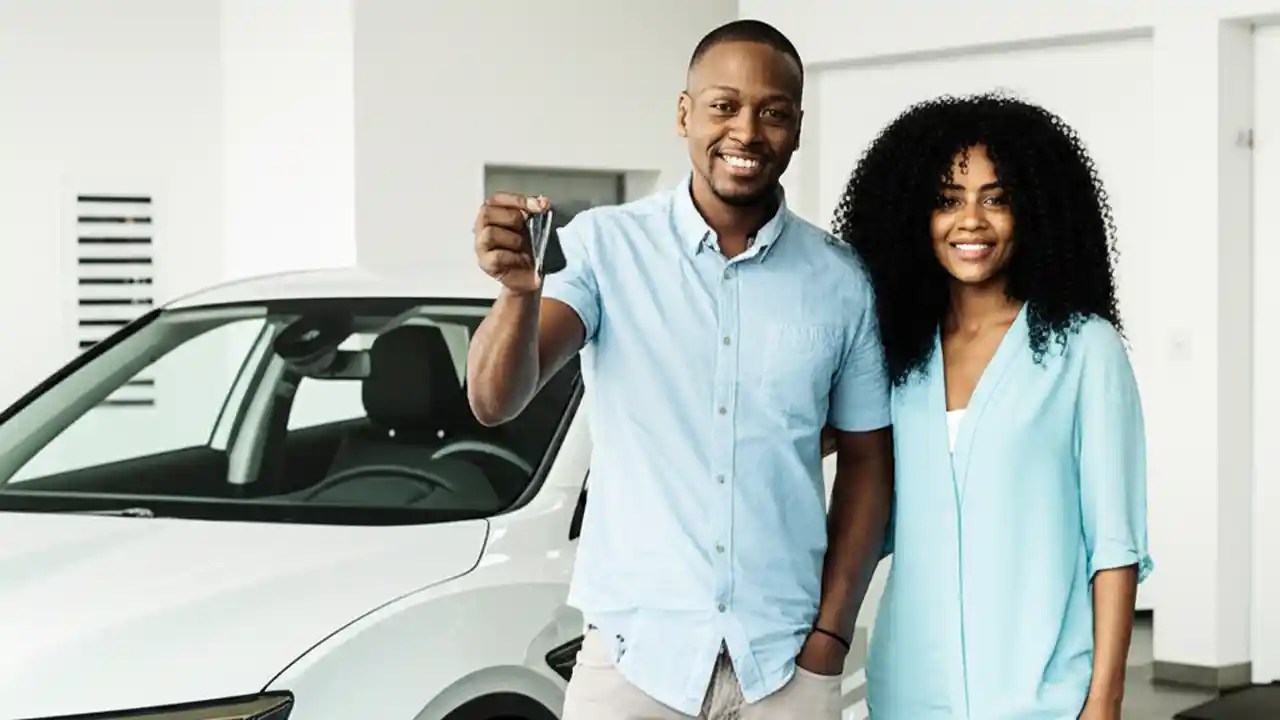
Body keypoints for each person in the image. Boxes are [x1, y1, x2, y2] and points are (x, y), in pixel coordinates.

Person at [466, 18, 894, 720]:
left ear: (797, 126)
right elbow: (494, 399)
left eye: (773, 112)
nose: (747, 131)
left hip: (785, 666)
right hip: (635, 661)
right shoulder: (603, 247)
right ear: (684, 113)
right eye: (724, 105)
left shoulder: (842, 280)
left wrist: (830, 640)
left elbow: (868, 463)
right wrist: (519, 293)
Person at [831, 92, 1153, 719]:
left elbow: (1115, 544)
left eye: (996, 198)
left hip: (1043, 699)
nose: (971, 221)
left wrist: (1105, 700)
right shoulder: (897, 360)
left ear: (1032, 211)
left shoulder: (1085, 349)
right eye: (947, 201)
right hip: (909, 693)